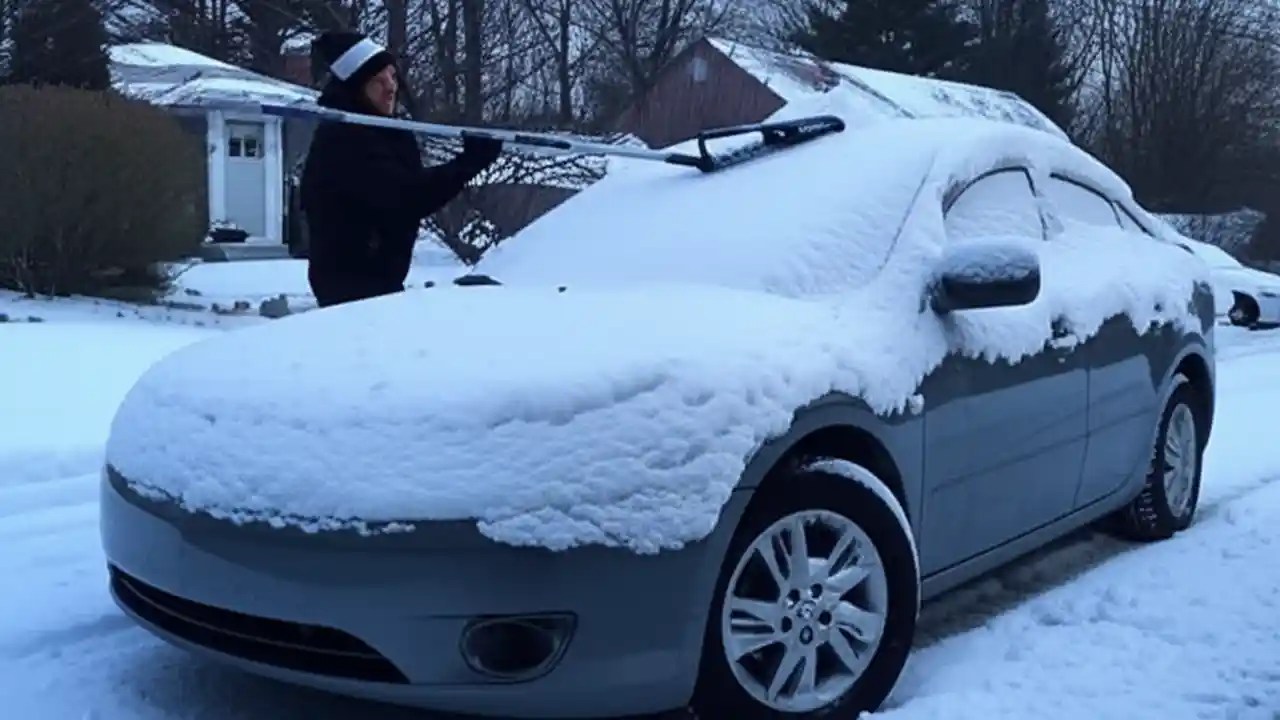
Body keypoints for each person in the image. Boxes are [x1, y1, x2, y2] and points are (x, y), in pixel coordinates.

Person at [300, 31, 503, 308]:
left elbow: (412, 188)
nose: (391, 87)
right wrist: (469, 163)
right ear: (357, 87)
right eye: (378, 80)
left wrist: (469, 157)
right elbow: (407, 197)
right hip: (350, 288)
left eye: (393, 77)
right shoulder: (344, 138)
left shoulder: (388, 131)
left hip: (382, 281)